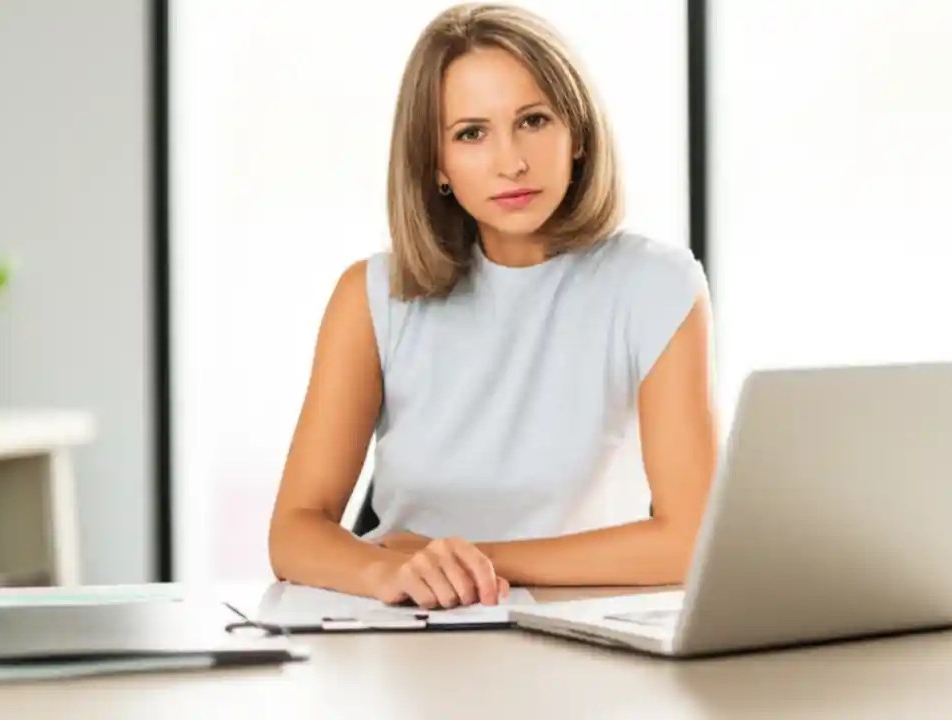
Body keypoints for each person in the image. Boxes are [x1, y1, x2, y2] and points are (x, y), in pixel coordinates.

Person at [268, 3, 717, 610]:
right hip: (410, 637)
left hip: (587, 634)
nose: (511, 162)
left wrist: (469, 559)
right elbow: (296, 529)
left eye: (533, 121)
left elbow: (692, 541)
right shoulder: (372, 295)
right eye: (471, 133)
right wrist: (390, 574)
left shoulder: (657, 285)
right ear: (438, 165)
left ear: (577, 133)